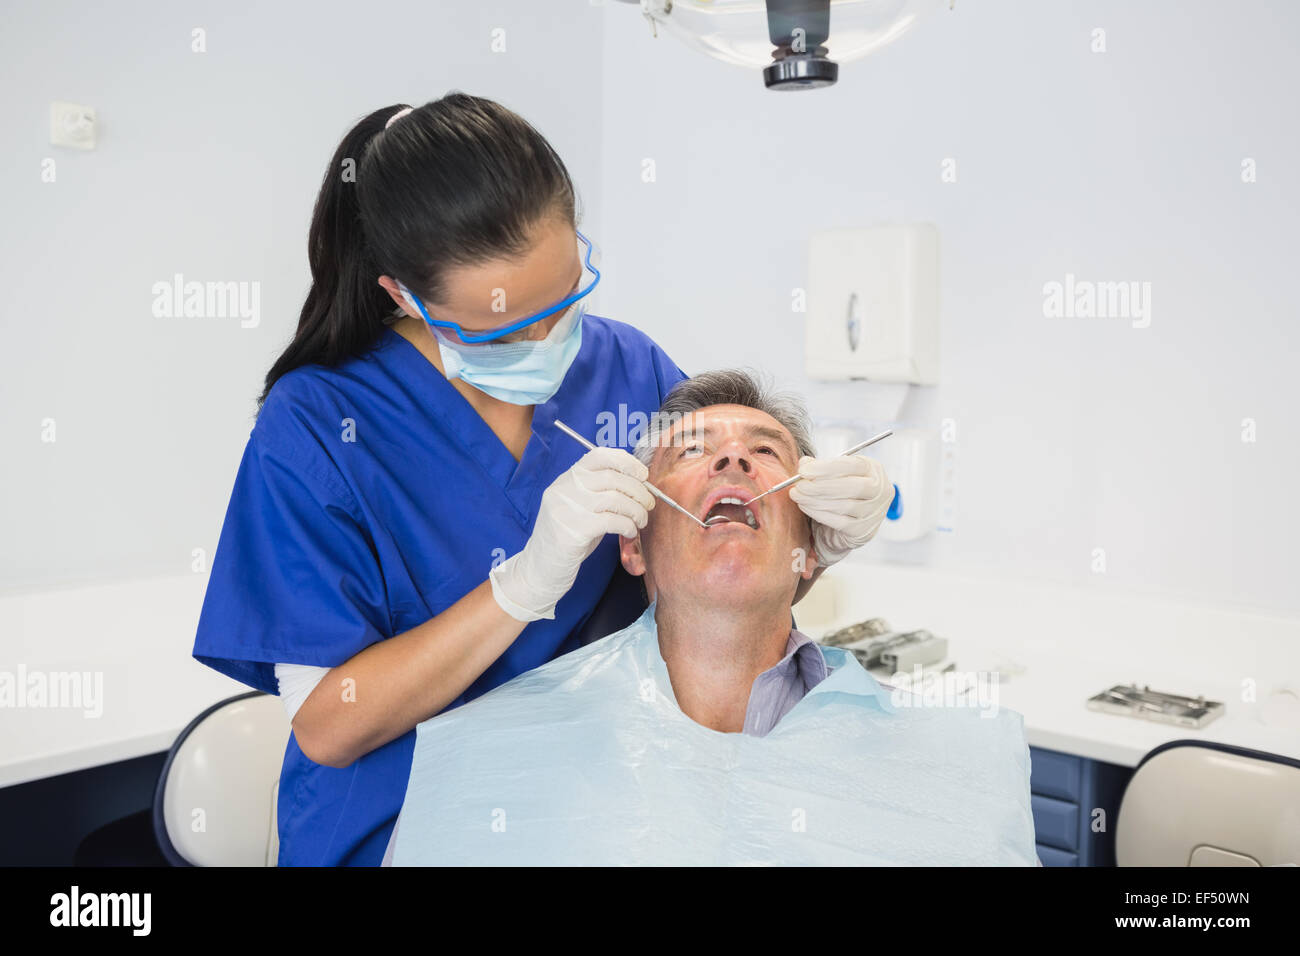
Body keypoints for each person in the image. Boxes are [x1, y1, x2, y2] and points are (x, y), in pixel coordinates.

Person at [192, 94, 894, 867]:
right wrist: (520, 588)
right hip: (402, 828)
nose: (547, 340)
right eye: (500, 329)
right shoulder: (319, 424)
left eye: (564, 300)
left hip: (598, 812)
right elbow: (329, 724)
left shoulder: (626, 368)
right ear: (405, 296)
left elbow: (710, 573)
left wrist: (822, 536)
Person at [385, 370, 1037, 866]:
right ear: (633, 544)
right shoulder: (491, 754)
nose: (733, 460)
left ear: (810, 549)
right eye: (693, 451)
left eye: (766, 451)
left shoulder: (959, 764)